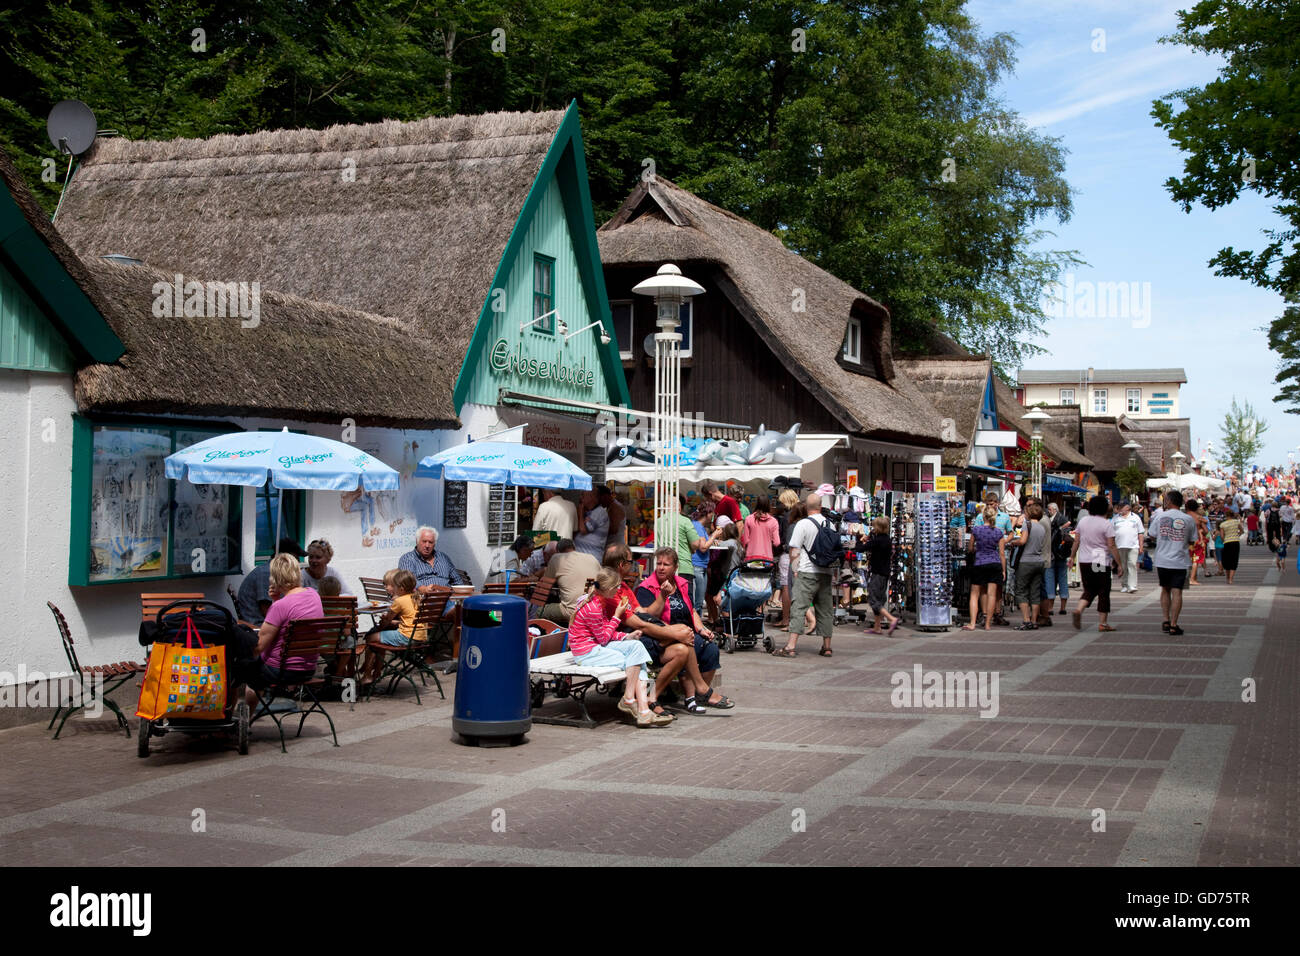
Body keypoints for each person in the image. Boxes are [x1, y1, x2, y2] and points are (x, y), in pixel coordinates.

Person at [603, 545, 731, 716]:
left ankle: (655, 697)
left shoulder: (624, 588)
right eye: (630, 562)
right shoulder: (613, 591)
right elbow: (639, 624)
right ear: (621, 565)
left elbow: (644, 614)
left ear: (675, 567)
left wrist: (696, 628)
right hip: (623, 642)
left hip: (638, 636)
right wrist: (672, 631)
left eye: (666, 564)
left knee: (690, 645)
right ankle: (698, 691)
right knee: (683, 640)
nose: (661, 567)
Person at [569, 568, 668, 727]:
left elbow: (603, 631)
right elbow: (602, 638)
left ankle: (636, 705)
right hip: (587, 652)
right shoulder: (594, 607)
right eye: (616, 588)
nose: (618, 591)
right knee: (635, 660)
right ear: (608, 589)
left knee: (636, 647)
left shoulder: (596, 600)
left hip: (594, 647)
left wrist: (626, 636)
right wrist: (617, 615)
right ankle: (641, 708)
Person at [243, 552, 325, 707]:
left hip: (281, 670)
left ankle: (245, 721)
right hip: (308, 668)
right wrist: (275, 600)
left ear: (275, 577)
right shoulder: (314, 595)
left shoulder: (281, 606)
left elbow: (259, 647)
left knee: (246, 668)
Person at [773, 492, 837, 657]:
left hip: (807, 571)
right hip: (826, 572)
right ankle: (827, 646)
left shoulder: (803, 524)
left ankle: (791, 646)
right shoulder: (830, 524)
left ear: (806, 507)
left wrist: (795, 570)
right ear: (820, 506)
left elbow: (794, 550)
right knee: (825, 610)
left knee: (799, 607)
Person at [359, 568, 421, 688]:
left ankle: (367, 675)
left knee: (371, 638)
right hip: (420, 637)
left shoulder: (400, 600)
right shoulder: (417, 597)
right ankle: (376, 672)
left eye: (394, 585)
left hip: (405, 637)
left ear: (401, 588)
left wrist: (383, 623)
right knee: (379, 638)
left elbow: (387, 620)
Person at [1069, 495, 1121, 632]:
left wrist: (1072, 557)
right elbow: (1112, 546)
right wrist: (1119, 563)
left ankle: (1079, 609)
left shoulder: (1083, 521)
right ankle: (1103, 623)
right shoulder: (1106, 524)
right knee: (1103, 591)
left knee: (1090, 589)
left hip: (1084, 559)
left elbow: (1076, 541)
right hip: (1099, 558)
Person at [1150, 490, 1197, 636]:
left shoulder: (1159, 516)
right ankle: (1174, 624)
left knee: (1165, 589)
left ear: (1169, 501)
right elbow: (1192, 540)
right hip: (1180, 560)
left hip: (1162, 560)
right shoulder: (1188, 519)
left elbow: (1151, 535)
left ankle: (1165, 619)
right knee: (1177, 592)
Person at [236, 537, 308, 626]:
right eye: (296, 559)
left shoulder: (273, 571)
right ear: (285, 558)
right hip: (257, 625)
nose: (297, 563)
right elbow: (267, 612)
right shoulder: (267, 573)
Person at [538, 538, 601, 624]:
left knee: (538, 611)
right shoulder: (592, 558)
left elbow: (544, 588)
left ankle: (539, 635)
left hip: (572, 611)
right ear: (574, 548)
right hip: (595, 608)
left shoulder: (557, 558)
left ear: (558, 551)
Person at [964, 504, 1006, 631]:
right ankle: (988, 624)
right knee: (992, 594)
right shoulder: (999, 532)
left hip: (980, 563)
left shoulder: (976, 530)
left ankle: (972, 623)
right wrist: (1003, 570)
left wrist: (977, 549)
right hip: (994, 563)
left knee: (974, 594)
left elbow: (970, 548)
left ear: (983, 516)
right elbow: (1002, 553)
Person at [1009, 501, 1048, 630]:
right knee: (1035, 592)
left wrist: (1015, 542)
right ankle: (1034, 620)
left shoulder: (1027, 524)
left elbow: (1023, 540)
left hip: (1026, 561)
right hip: (1039, 561)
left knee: (1021, 591)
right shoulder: (1042, 527)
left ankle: (1026, 620)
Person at [398, 526, 465, 593]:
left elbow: (457, 580)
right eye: (424, 541)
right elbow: (408, 581)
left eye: (430, 542)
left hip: (447, 597)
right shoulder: (407, 559)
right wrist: (423, 589)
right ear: (417, 541)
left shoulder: (443, 557)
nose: (427, 545)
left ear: (434, 544)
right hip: (422, 599)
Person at [862, 515, 899, 635]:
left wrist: (862, 539)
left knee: (873, 598)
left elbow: (861, 548)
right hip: (885, 573)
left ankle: (891, 618)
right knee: (879, 598)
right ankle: (877, 627)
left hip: (877, 573)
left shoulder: (877, 540)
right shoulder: (887, 539)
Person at [706, 517, 743, 623]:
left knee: (718, 599)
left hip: (728, 577)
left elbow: (712, 545)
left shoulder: (728, 543)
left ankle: (728, 626)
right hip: (736, 577)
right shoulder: (738, 544)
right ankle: (729, 624)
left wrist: (713, 539)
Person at [1044, 503, 1072, 618]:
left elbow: (1068, 523)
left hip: (1052, 553)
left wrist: (1060, 528)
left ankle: (1051, 608)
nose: (1048, 511)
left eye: (1050, 509)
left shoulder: (1057, 518)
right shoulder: (1054, 517)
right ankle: (1062, 607)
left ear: (1053, 509)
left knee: (1050, 579)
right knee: (1062, 579)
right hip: (1061, 554)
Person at [1111, 502, 1145, 594]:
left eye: (1121, 507)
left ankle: (1132, 585)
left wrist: (1141, 546)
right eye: (1119, 507)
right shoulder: (1115, 518)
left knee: (1132, 564)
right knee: (1123, 566)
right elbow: (1111, 533)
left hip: (1133, 545)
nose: (1119, 509)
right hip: (1119, 545)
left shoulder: (1136, 517)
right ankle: (1125, 585)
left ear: (1127, 508)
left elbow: (1141, 533)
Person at [741, 495, 781, 563]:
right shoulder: (773, 521)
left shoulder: (749, 519)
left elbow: (746, 540)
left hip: (751, 558)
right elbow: (777, 542)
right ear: (768, 505)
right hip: (767, 559)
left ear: (757, 504)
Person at [574, 489, 609, 560]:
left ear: (592, 497)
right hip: (582, 556)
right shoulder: (589, 512)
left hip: (591, 557)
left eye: (583, 495)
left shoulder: (599, 512)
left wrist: (580, 513)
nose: (581, 497)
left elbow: (583, 529)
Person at [1186, 499, 1209, 586]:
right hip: (1197, 540)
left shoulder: (1184, 516)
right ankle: (1192, 579)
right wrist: (1200, 530)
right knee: (1196, 560)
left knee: (1189, 559)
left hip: (1186, 541)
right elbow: (1206, 531)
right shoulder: (1198, 517)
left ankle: (1192, 578)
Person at [1217, 509, 1242, 584]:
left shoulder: (1223, 524)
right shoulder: (1236, 522)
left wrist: (1224, 539)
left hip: (1227, 542)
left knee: (1227, 560)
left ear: (1226, 516)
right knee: (1234, 560)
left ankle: (1228, 578)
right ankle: (1231, 579)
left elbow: (1221, 536)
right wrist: (1237, 535)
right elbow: (1242, 531)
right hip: (1235, 542)